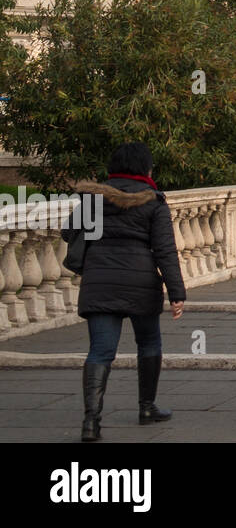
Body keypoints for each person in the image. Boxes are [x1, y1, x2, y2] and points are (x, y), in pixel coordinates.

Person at [66, 142, 186, 443]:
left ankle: (91, 422)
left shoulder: (94, 198)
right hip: (140, 282)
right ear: (144, 169)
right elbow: (165, 251)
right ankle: (147, 408)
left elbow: (69, 232)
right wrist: (176, 293)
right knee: (148, 343)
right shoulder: (153, 201)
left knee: (100, 351)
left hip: (99, 281)